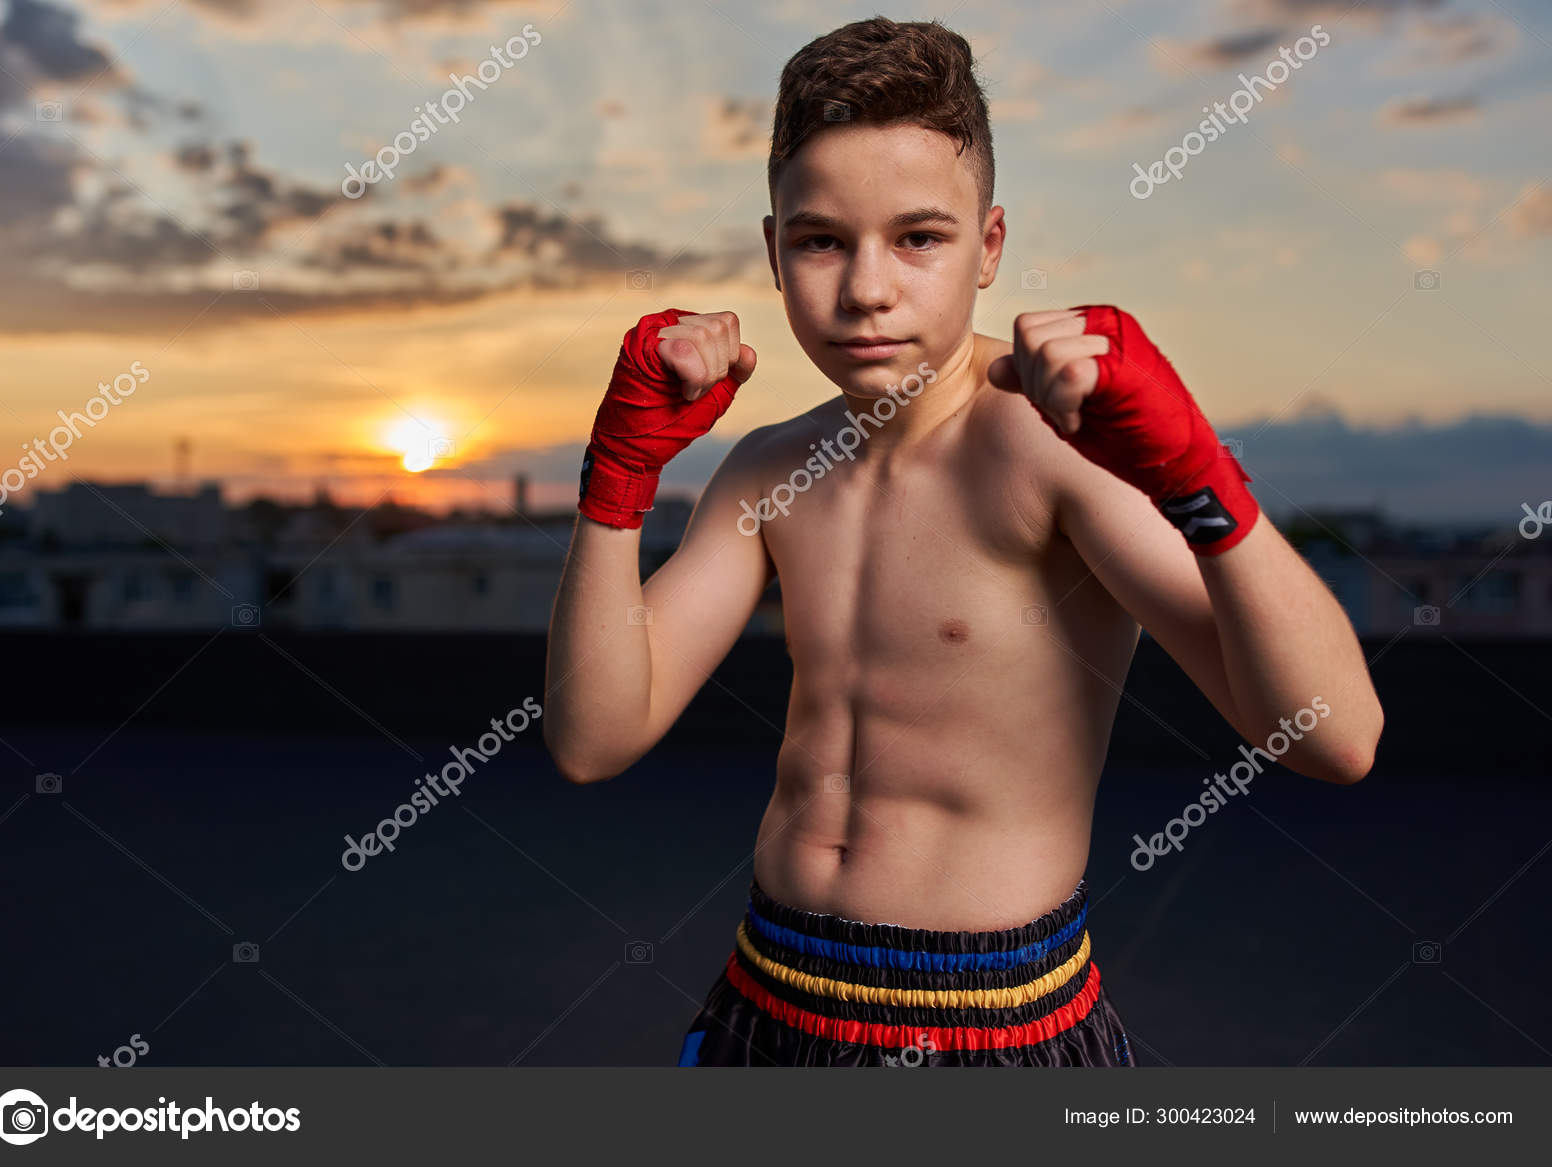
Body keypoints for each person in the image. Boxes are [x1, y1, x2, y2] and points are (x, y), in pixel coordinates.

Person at [543, 16, 1384, 1067]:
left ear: (988, 248)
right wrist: (616, 483)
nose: (866, 288)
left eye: (918, 238)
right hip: (765, 999)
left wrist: (1198, 479)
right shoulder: (767, 468)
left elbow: (1334, 740)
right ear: (773, 252)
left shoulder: (1050, 446)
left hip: (991, 1025)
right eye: (821, 240)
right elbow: (592, 739)